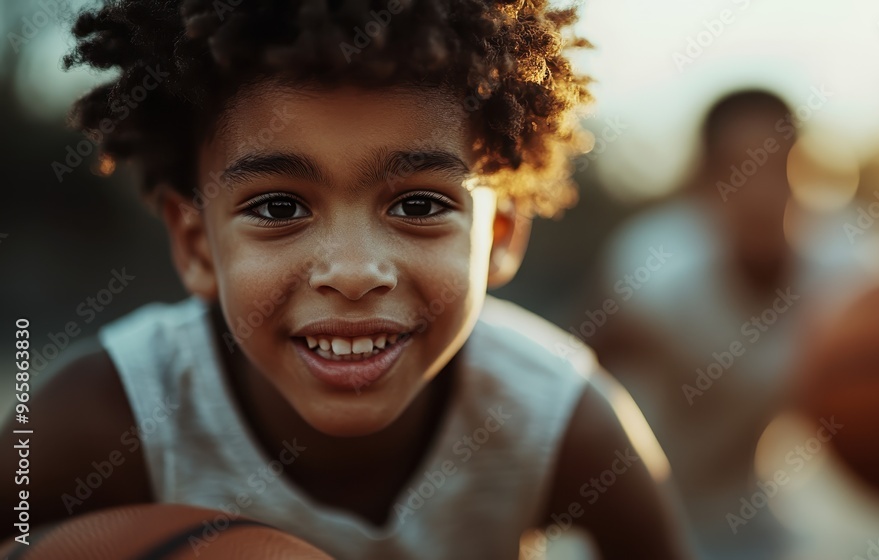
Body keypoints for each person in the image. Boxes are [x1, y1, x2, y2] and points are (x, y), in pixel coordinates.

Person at [1, 1, 684, 558]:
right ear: (197, 244)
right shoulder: (99, 421)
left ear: (498, 235)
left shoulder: (564, 420)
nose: (354, 273)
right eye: (279, 207)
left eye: (418, 205)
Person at [590, 89, 856, 560]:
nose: (760, 192)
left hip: (749, 520)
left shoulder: (843, 276)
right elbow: (572, 375)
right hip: (629, 519)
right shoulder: (653, 269)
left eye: (778, 166)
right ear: (703, 183)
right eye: (738, 170)